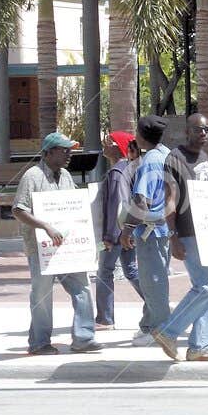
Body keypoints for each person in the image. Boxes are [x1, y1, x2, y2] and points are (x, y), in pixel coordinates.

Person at [14, 132, 100, 355]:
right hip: (40, 248)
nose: (69, 154)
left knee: (82, 287)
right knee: (41, 294)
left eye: (70, 149)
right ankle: (39, 343)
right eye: (64, 150)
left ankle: (83, 337)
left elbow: (72, 207)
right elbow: (18, 209)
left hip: (67, 248)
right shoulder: (32, 176)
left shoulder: (65, 176)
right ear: (48, 152)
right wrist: (45, 227)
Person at [154, 113, 208, 361]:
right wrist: (173, 237)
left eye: (207, 129)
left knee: (205, 288)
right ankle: (168, 331)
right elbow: (169, 199)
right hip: (188, 232)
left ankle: (200, 346)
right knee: (206, 287)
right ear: (187, 132)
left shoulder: (204, 157)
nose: (203, 133)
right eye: (198, 130)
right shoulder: (174, 159)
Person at [120, 115, 175, 345]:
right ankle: (148, 325)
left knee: (153, 282)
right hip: (166, 228)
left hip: (150, 231)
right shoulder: (167, 153)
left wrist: (127, 228)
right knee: (157, 278)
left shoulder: (149, 161)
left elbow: (141, 201)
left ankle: (160, 331)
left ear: (141, 137)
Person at [94, 131, 142, 328]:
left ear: (119, 147)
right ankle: (158, 304)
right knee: (131, 270)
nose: (106, 143)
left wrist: (109, 236)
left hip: (116, 233)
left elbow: (115, 205)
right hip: (128, 229)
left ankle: (105, 319)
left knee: (105, 271)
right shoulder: (129, 168)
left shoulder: (116, 173)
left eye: (110, 141)